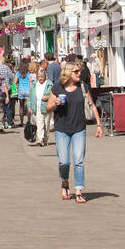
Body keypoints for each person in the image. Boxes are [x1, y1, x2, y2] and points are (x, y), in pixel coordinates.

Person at [47, 60, 102, 203]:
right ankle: (65, 182)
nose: (79, 74)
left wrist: (99, 125)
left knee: (78, 161)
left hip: (79, 129)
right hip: (62, 130)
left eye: (79, 71)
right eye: (76, 72)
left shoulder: (83, 87)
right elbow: (47, 107)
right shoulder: (57, 88)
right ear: (68, 73)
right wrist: (55, 103)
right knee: (63, 161)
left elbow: (93, 106)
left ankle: (78, 190)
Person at [30, 61, 51, 146]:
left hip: (47, 107)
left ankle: (45, 139)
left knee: (46, 124)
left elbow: (53, 95)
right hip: (38, 106)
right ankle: (40, 140)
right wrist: (30, 106)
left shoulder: (49, 84)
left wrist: (48, 97)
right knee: (39, 124)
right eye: (39, 76)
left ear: (45, 76)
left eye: (42, 76)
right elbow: (31, 96)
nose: (40, 78)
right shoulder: (34, 84)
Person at [16, 59, 31, 125]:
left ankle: (21, 122)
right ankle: (28, 121)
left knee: (21, 106)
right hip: (28, 90)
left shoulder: (18, 72)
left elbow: (15, 82)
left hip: (21, 90)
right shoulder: (29, 72)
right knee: (28, 106)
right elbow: (31, 81)